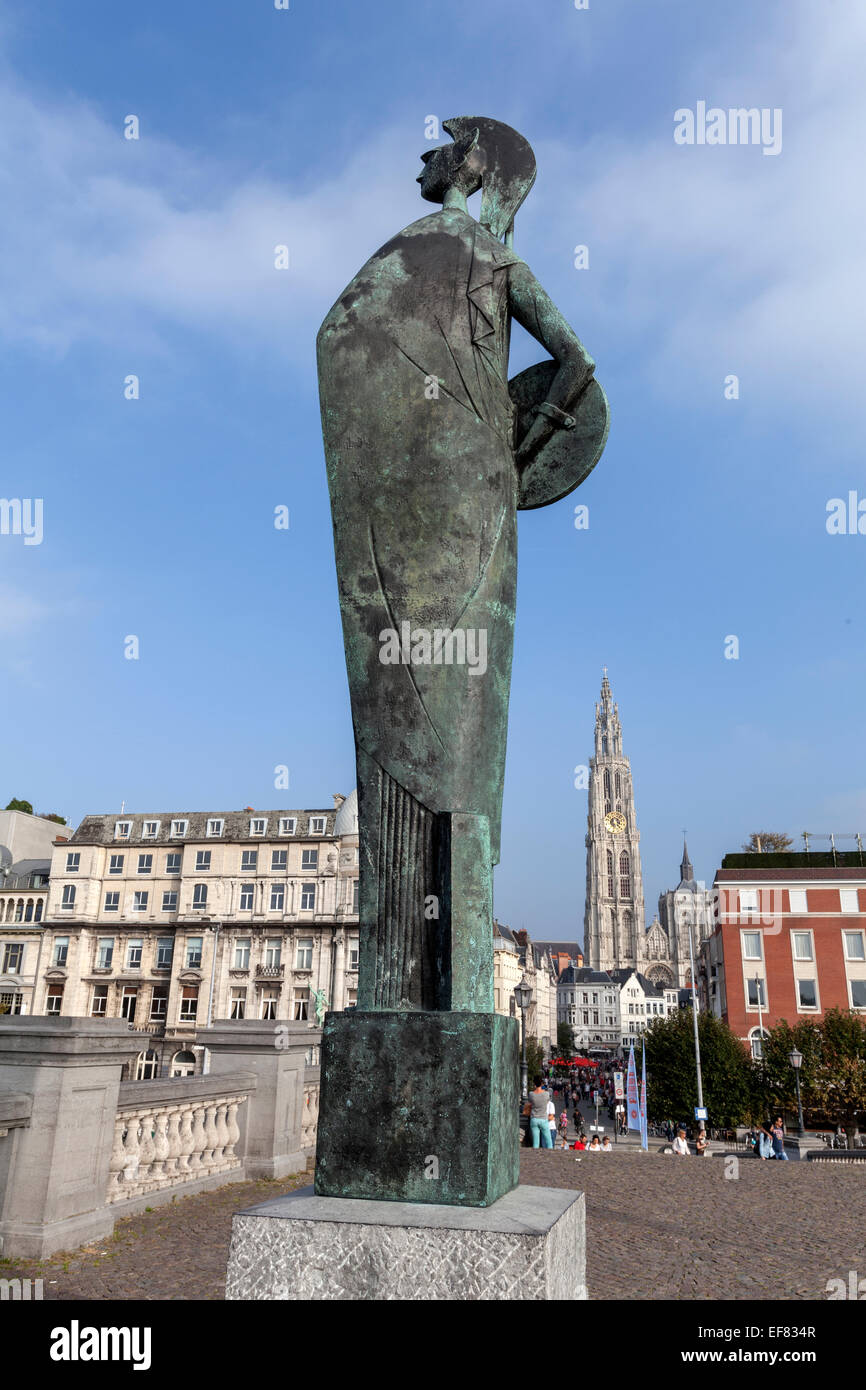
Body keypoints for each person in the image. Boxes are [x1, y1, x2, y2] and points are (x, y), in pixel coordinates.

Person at [526, 1077, 554, 1149]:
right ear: (541, 1083)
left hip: (534, 1118)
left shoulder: (531, 1094)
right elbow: (547, 1102)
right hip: (543, 1118)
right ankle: (550, 1155)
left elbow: (529, 1103)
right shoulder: (546, 1094)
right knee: (548, 1141)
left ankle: (535, 1156)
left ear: (534, 1084)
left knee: (536, 1142)